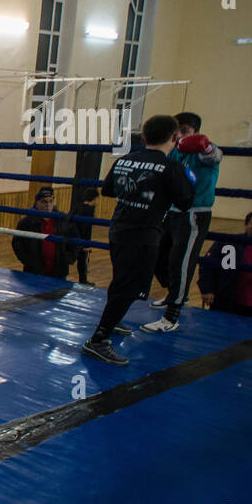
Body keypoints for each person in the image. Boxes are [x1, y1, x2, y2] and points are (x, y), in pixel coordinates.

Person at [81, 115, 195, 366]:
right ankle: (98, 341)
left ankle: (114, 319)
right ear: (175, 138)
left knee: (122, 280)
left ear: (144, 138)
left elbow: (109, 189)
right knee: (128, 286)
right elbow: (186, 202)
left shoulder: (125, 159)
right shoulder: (171, 167)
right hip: (144, 234)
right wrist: (188, 177)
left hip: (118, 228)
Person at [144, 112, 223, 332]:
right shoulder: (175, 152)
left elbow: (215, 156)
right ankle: (174, 295)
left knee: (182, 261)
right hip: (172, 211)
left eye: (185, 131)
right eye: (177, 131)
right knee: (159, 256)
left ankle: (171, 317)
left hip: (194, 213)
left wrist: (204, 146)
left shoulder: (205, 151)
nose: (180, 135)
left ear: (196, 132)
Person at [197, 209, 252, 319]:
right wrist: (207, 290)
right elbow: (207, 265)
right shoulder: (228, 242)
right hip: (225, 300)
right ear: (246, 224)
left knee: (251, 335)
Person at [11, 186, 78, 279]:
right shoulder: (27, 222)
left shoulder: (62, 219)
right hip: (34, 272)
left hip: (59, 271)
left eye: (50, 201)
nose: (48, 205)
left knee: (58, 293)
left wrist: (68, 258)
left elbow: (76, 239)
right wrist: (29, 262)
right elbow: (17, 244)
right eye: (44, 202)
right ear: (36, 204)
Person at [72, 187, 100, 284]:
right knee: (82, 260)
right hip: (80, 238)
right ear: (95, 198)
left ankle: (83, 280)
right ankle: (83, 280)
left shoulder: (78, 206)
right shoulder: (89, 210)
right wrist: (86, 244)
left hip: (72, 236)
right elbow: (86, 228)